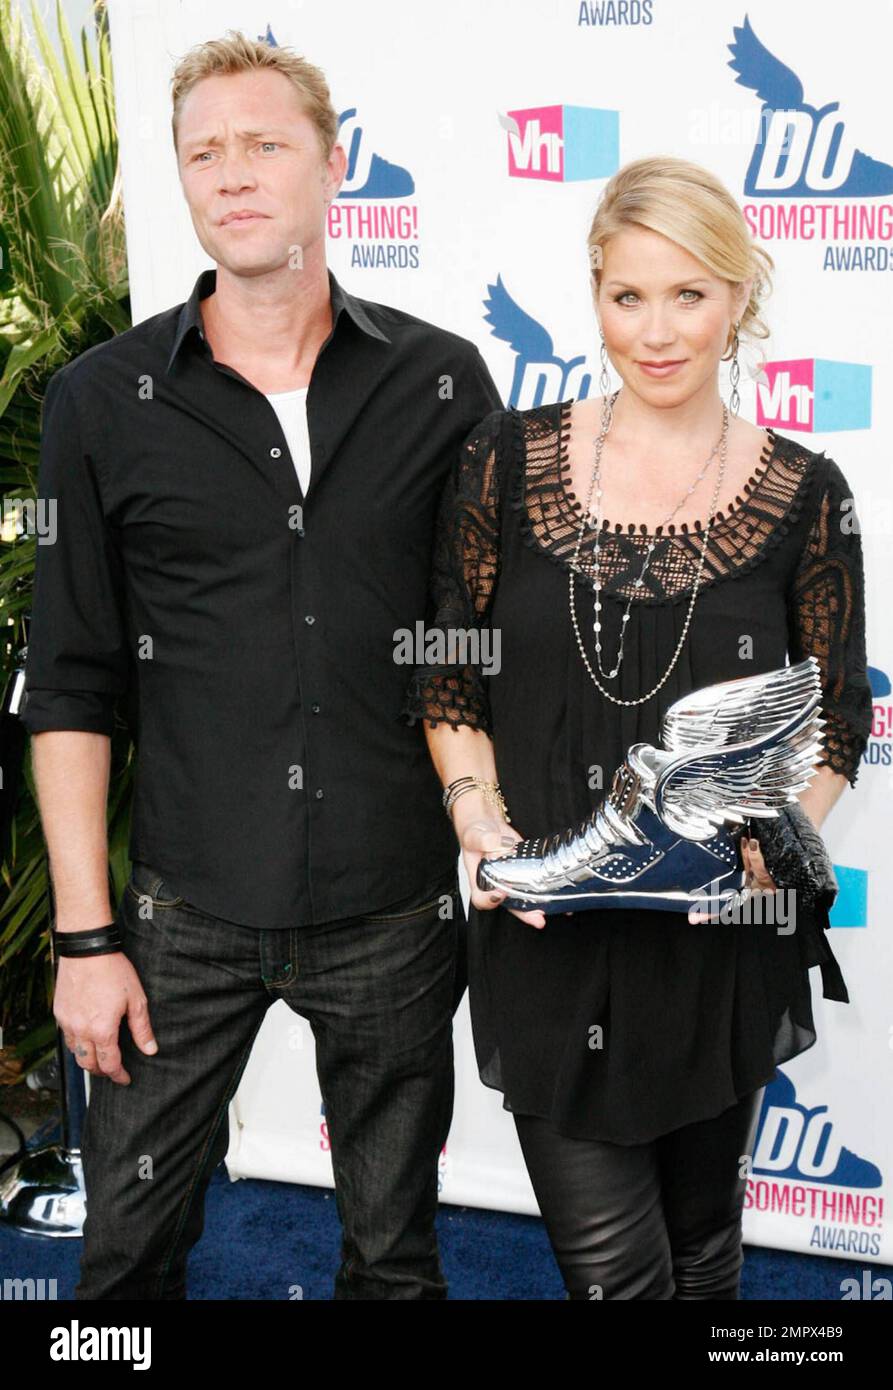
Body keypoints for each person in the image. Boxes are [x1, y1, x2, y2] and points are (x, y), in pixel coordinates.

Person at [21, 32, 501, 1300]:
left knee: (394, 1263)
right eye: (204, 151)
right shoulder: (99, 400)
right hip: (182, 918)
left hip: (394, 910)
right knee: (121, 1266)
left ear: (334, 167)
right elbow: (70, 679)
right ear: (181, 179)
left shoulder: (446, 381)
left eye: (266, 144)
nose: (234, 173)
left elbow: (467, 640)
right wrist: (84, 936)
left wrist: (488, 826)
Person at [404, 155, 873, 1300]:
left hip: (717, 942)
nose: (656, 330)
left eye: (687, 294)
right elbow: (447, 667)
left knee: (705, 1248)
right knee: (615, 1275)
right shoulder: (503, 461)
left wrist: (783, 830)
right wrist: (483, 825)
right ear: (594, 297)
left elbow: (838, 711)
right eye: (627, 296)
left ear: (737, 299)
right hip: (548, 930)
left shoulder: (806, 492)